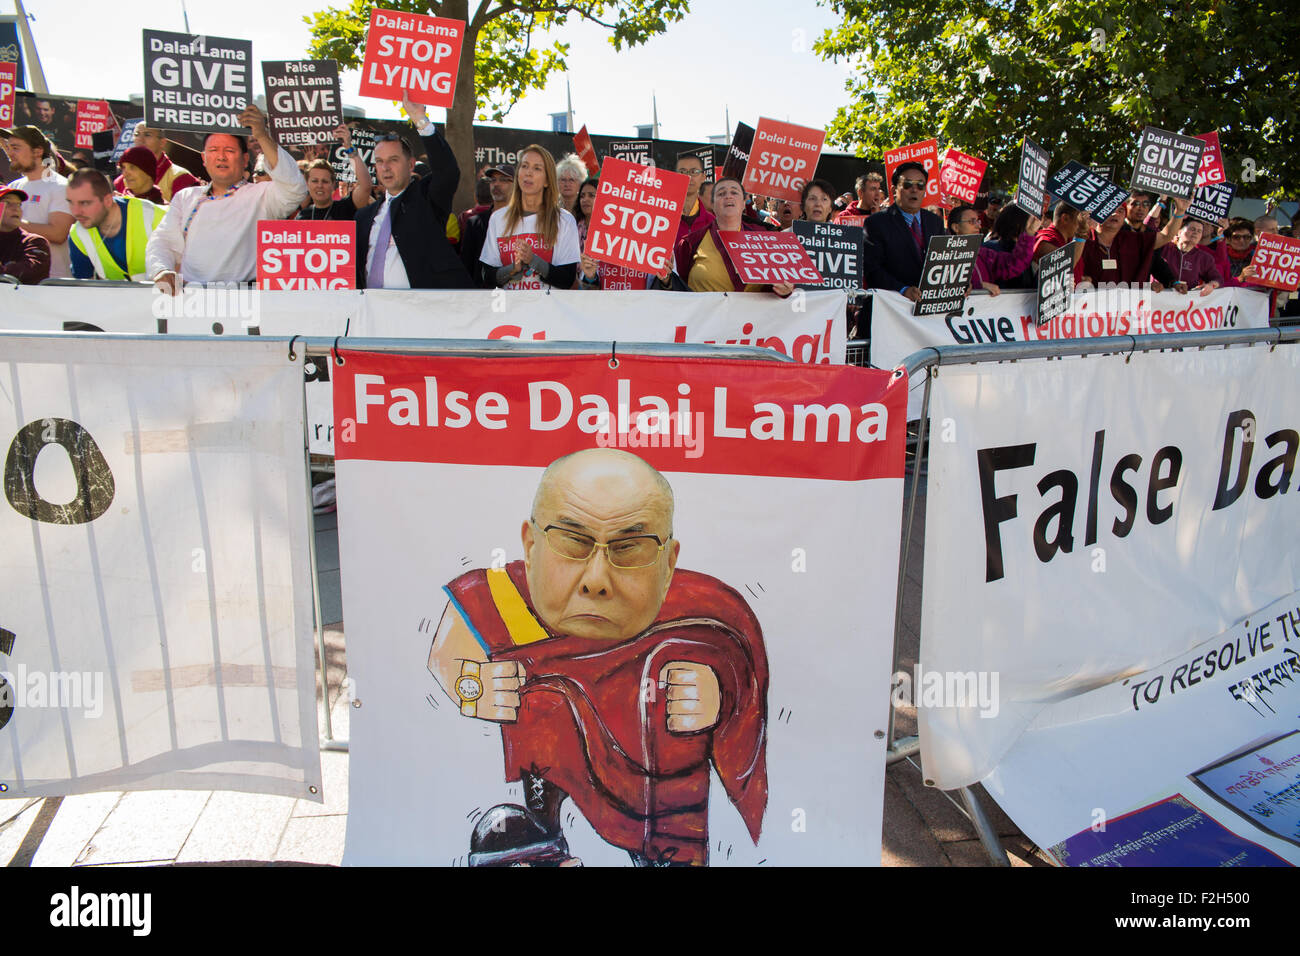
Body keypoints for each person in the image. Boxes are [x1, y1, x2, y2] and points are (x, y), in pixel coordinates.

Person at [428, 448, 768, 867]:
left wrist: (720, 695)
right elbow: (445, 653)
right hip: (548, 781)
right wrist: (473, 688)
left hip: (662, 803)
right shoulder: (502, 598)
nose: (596, 580)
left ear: (668, 562)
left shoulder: (703, 614)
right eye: (572, 542)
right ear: (531, 546)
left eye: (630, 548)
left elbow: (739, 670)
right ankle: (543, 843)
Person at [145, 104, 308, 291]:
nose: (221, 157)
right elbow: (163, 240)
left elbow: (295, 188)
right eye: (214, 150)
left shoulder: (261, 195)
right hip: (190, 301)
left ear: (245, 160)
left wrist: (262, 135)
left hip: (243, 303)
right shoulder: (186, 197)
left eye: (230, 151)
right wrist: (161, 269)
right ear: (204, 158)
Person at [355, 97, 473, 290]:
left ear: (410, 164)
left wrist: (420, 119)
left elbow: (447, 171)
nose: (385, 168)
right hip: (372, 312)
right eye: (379, 161)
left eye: (393, 160)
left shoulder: (426, 199)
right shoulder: (364, 216)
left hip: (419, 311)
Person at [479, 144, 580, 291]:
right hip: (509, 311)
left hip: (548, 311)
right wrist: (512, 270)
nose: (528, 173)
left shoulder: (564, 220)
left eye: (537, 168)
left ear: (547, 180)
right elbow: (487, 277)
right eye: (524, 166)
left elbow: (567, 279)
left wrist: (533, 260)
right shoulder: (498, 218)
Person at [672, 176, 794, 295]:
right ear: (712, 205)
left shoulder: (765, 238)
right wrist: (666, 280)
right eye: (721, 194)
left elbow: (776, 285)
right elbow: (678, 291)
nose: (728, 196)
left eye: (734, 192)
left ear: (743, 203)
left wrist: (784, 291)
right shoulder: (689, 243)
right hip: (707, 315)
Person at [862, 161, 946, 301]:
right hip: (892, 307)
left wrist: (961, 285)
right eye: (907, 185)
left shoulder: (935, 221)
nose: (914, 190)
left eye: (920, 185)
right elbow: (872, 269)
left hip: (927, 310)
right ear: (894, 189)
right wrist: (903, 290)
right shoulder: (876, 222)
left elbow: (944, 262)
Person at [66, 168, 165, 281]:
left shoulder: (155, 216)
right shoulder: (78, 234)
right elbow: (82, 290)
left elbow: (183, 272)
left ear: (108, 200)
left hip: (167, 296)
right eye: (70, 202)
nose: (76, 212)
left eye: (84, 203)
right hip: (116, 298)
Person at [2, 125, 74, 278]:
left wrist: (14, 223)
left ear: (37, 151)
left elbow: (58, 233)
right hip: (15, 281)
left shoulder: (60, 186)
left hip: (52, 284)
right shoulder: (14, 186)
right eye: (8, 147)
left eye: (15, 148)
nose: (10, 153)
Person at [1074, 198, 1186, 288]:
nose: (1115, 214)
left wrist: (1179, 211)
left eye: (1120, 211)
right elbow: (1069, 267)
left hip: (1127, 312)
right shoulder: (1083, 239)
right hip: (1091, 311)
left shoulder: (1133, 239)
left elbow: (1166, 236)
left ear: (1124, 217)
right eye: (1109, 210)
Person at [948, 202, 1039, 295]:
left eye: (978, 221)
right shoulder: (942, 256)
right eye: (972, 221)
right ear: (956, 227)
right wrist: (978, 287)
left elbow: (1014, 264)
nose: (978, 226)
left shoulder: (984, 254)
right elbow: (943, 289)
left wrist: (1029, 233)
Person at [294, 127, 374, 221]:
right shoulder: (302, 216)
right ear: (307, 184)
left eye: (325, 181)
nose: (320, 185)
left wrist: (348, 147)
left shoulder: (346, 207)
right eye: (315, 181)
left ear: (333, 184)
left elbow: (366, 185)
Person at [113, 125, 200, 201]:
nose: (140, 140)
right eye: (136, 135)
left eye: (147, 135)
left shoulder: (180, 177)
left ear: (162, 142)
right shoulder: (121, 181)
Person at [459, 163, 513, 283]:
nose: (496, 184)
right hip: (483, 296)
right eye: (493, 180)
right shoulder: (475, 223)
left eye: (503, 180)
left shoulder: (524, 221)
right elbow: (467, 267)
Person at [0, 186, 51, 284]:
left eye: (19, 204)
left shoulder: (35, 241)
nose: (16, 209)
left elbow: (27, 272)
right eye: (7, 203)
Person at [1159, 217, 1222, 295]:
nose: (1195, 233)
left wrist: (1211, 285)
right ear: (1179, 232)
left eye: (1199, 231)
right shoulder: (1164, 247)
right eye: (1192, 229)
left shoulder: (1204, 257)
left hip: (1186, 300)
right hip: (1159, 296)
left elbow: (1217, 278)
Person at [672, 153, 714, 241]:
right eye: (682, 172)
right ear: (675, 176)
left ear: (703, 177)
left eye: (694, 172)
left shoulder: (712, 222)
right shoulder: (662, 218)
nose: (689, 177)